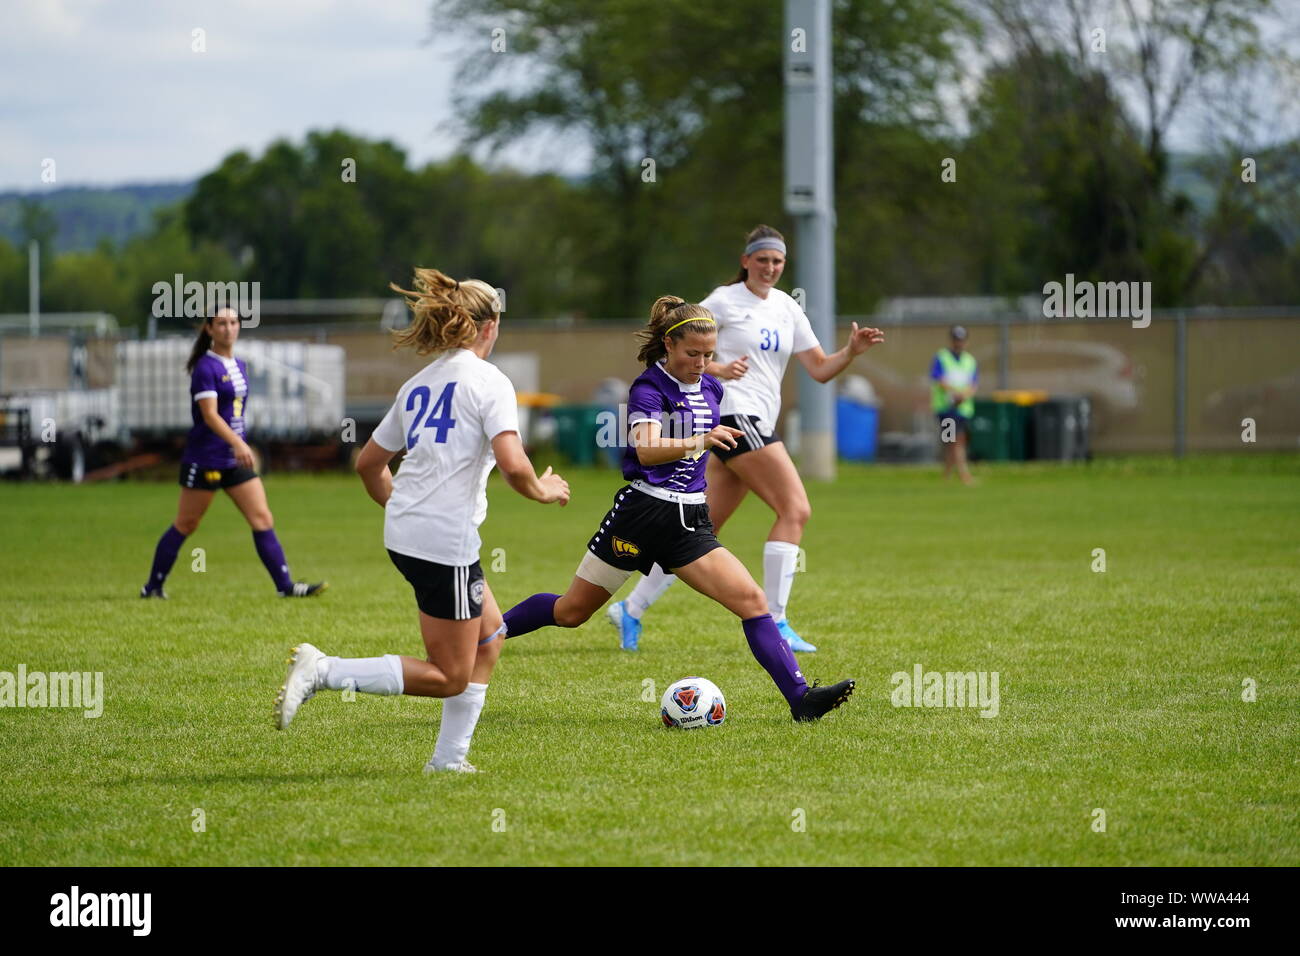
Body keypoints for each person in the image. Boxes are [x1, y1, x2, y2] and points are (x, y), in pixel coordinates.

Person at [499, 295, 855, 723]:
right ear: (669, 346)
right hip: (642, 515)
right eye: (692, 353)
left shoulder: (713, 387)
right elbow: (646, 451)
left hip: (689, 523)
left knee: (753, 602)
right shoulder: (648, 389)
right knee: (571, 612)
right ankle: (488, 633)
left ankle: (801, 700)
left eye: (709, 354)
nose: (702, 362)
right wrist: (698, 441)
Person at [272, 269, 570, 772]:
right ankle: (322, 670)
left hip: (412, 533)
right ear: (488, 327)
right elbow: (516, 465)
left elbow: (368, 464)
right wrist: (545, 490)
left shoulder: (418, 384)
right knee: (450, 674)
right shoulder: (490, 382)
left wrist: (406, 511)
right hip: (442, 541)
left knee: (490, 637)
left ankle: (449, 761)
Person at [607, 225, 885, 653]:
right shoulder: (723, 301)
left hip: (741, 426)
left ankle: (631, 609)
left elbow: (820, 370)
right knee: (795, 509)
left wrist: (850, 352)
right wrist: (715, 371)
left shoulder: (788, 308)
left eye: (777, 261)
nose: (770, 268)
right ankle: (776, 620)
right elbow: (682, 349)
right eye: (762, 260)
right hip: (737, 415)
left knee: (700, 533)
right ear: (746, 261)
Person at [140, 307, 325, 599]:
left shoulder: (239, 364)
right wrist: (239, 442)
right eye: (221, 323)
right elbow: (211, 416)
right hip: (206, 458)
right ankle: (152, 587)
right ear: (210, 329)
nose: (228, 328)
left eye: (233, 322)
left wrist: (238, 445)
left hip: (234, 460)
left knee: (262, 518)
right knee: (186, 524)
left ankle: (285, 587)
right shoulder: (205, 368)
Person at [931, 325, 977, 485]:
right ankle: (964, 475)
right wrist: (955, 394)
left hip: (963, 408)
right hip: (947, 408)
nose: (959, 343)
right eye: (956, 340)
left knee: (957, 440)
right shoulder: (941, 357)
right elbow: (938, 379)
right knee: (954, 440)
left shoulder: (970, 361)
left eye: (962, 340)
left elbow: (973, 384)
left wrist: (964, 396)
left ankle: (947, 475)